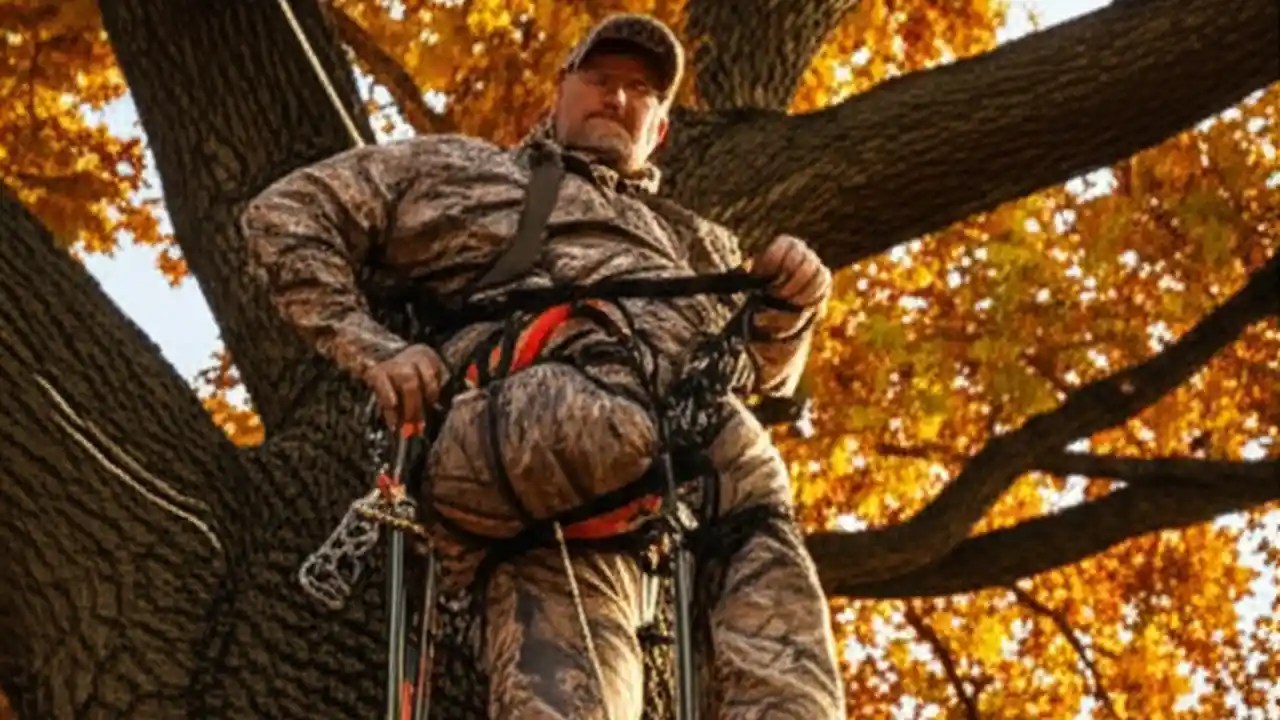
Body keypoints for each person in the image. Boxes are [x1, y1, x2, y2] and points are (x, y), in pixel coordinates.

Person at [241, 12, 844, 719]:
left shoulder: (700, 242)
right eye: (600, 79)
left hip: (620, 513)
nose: (618, 97)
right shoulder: (462, 170)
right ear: (556, 95)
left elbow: (757, 375)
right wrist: (374, 349)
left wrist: (789, 309)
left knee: (572, 682)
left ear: (661, 131)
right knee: (734, 459)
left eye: (641, 91)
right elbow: (285, 214)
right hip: (510, 426)